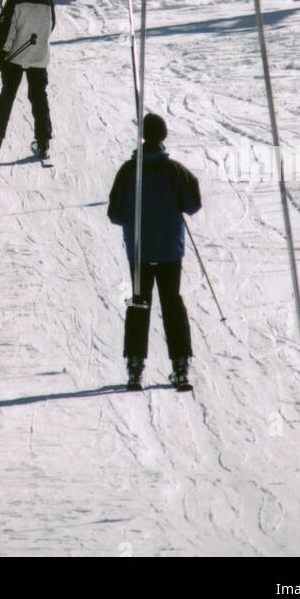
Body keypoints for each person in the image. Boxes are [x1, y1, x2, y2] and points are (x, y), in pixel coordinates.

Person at [107, 113, 202, 392]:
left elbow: (114, 212)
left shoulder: (128, 170)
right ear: (163, 136)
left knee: (139, 303)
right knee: (172, 303)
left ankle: (135, 369)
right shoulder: (174, 170)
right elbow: (193, 204)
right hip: (171, 249)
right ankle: (180, 367)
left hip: (139, 250)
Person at [0, 0, 55, 164]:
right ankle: (43, 142)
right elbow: (51, 26)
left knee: (7, 97)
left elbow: (7, 30)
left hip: (14, 57)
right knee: (39, 98)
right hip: (39, 57)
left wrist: (1, 55)